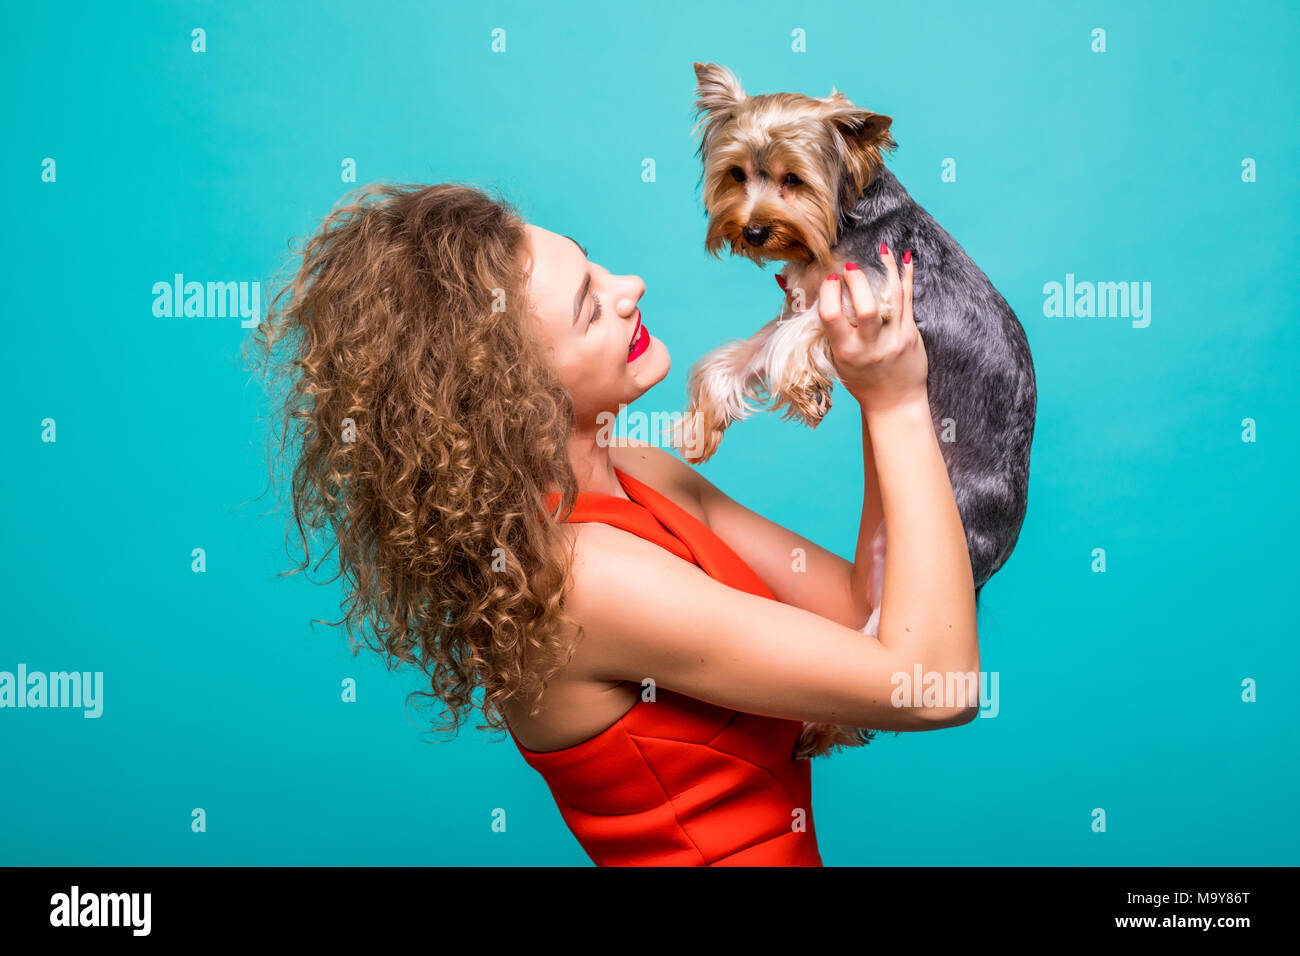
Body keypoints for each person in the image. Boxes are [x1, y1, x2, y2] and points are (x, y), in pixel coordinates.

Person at [245, 182, 978, 867]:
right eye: (590, 306)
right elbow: (935, 684)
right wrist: (898, 405)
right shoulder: (581, 578)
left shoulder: (637, 471)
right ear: (515, 396)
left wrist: (873, 376)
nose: (631, 288)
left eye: (593, 264)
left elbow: (860, 609)